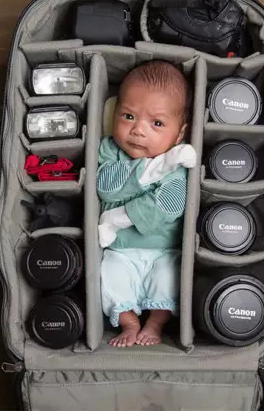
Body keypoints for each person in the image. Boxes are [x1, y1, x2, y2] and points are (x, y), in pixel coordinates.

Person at [96, 60, 196, 347]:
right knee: (108, 276)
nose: (138, 130)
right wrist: (150, 170)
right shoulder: (110, 149)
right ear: (114, 113)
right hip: (120, 250)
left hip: (163, 249)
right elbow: (106, 186)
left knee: (169, 278)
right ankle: (128, 322)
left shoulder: (179, 160)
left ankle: (155, 322)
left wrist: (124, 214)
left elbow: (171, 204)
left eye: (157, 123)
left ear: (178, 134)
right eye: (128, 116)